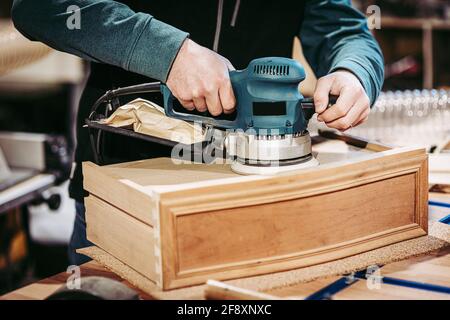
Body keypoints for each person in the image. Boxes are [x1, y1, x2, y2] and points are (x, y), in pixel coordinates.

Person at [11, 0, 384, 265]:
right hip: (128, 196)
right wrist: (169, 53)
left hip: (253, 196)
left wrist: (354, 70)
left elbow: (342, 28)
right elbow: (40, 7)